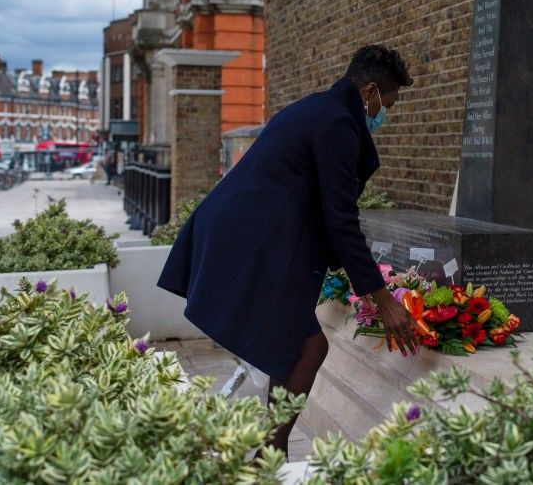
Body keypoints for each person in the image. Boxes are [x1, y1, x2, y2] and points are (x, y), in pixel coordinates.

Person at [157, 45, 419, 455]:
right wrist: (382, 298)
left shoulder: (318, 109)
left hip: (247, 240)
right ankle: (267, 457)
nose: (386, 113)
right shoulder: (337, 124)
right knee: (310, 347)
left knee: (295, 347)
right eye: (388, 103)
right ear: (369, 92)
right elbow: (340, 217)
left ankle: (266, 453)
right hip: (252, 247)